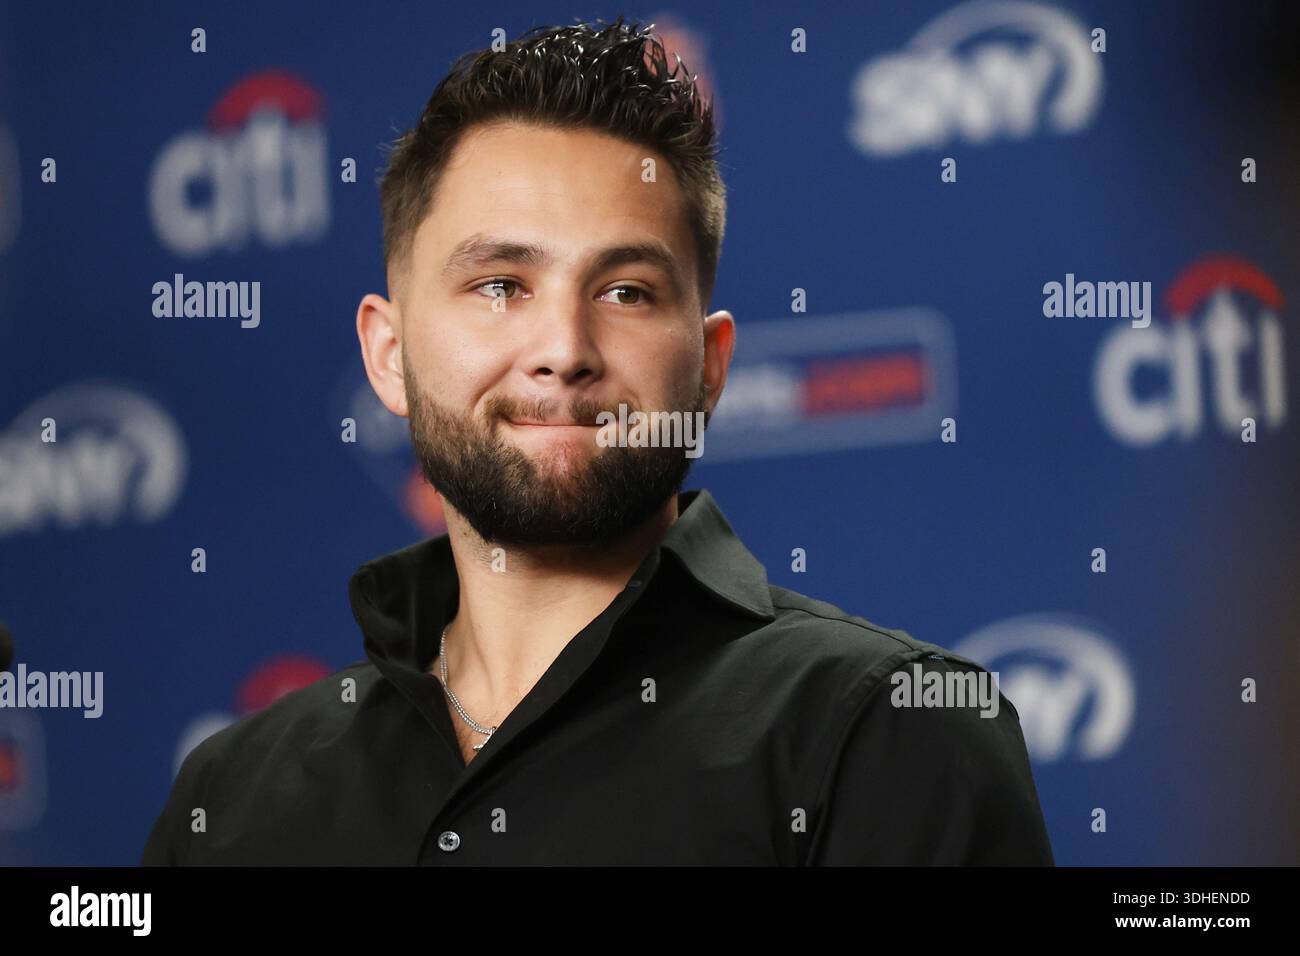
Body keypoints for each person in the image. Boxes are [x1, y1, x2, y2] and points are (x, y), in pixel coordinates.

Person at [141, 16, 1053, 866]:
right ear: (388, 352)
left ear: (709, 365)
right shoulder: (229, 801)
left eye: (626, 291)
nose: (564, 352)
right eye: (500, 284)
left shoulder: (890, 735)